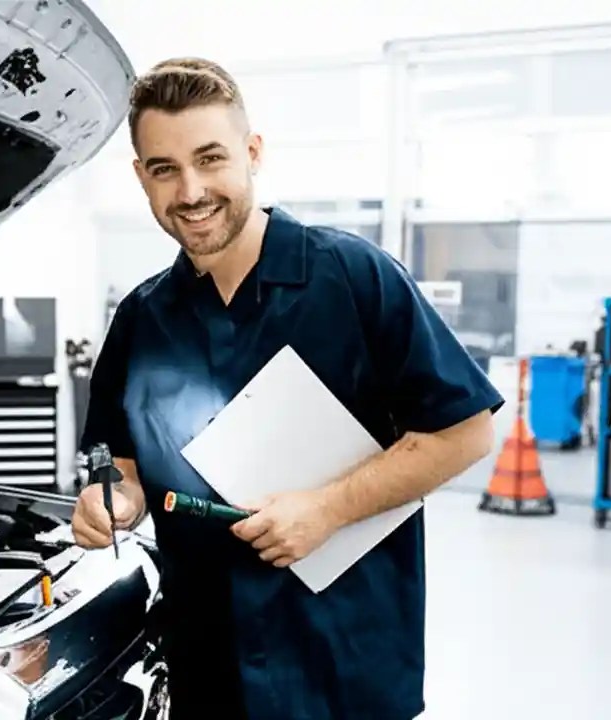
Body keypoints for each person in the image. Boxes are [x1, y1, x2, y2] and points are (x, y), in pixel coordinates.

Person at [72, 57, 503, 720]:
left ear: (252, 153)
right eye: (165, 169)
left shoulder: (356, 278)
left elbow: (467, 430)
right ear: (142, 178)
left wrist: (327, 509)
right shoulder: (140, 319)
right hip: (208, 673)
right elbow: (121, 467)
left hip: (344, 668)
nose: (190, 191)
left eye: (210, 159)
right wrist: (112, 503)